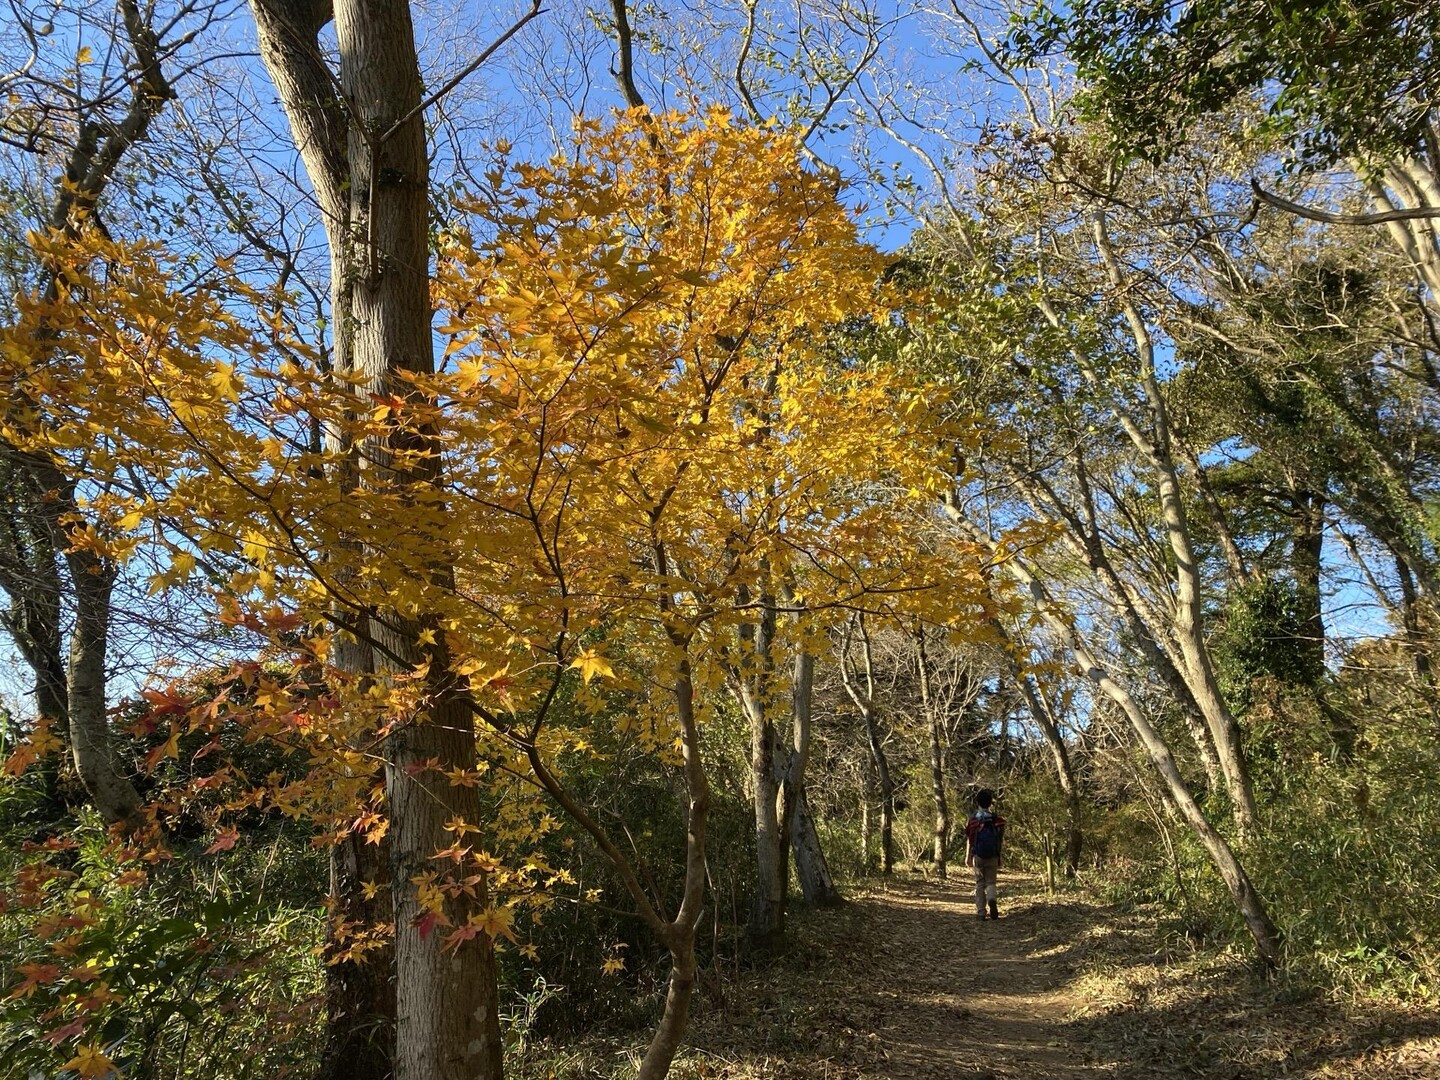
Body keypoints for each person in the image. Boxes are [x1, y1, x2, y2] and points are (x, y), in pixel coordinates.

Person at [965, 789, 1005, 919]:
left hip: (978, 855)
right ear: (990, 803)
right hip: (993, 855)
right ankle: (992, 899)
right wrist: (999, 856)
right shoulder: (997, 820)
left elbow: (970, 840)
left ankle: (981, 912)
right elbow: (1000, 840)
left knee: (979, 884)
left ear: (977, 802)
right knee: (991, 882)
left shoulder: (973, 821)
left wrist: (968, 857)